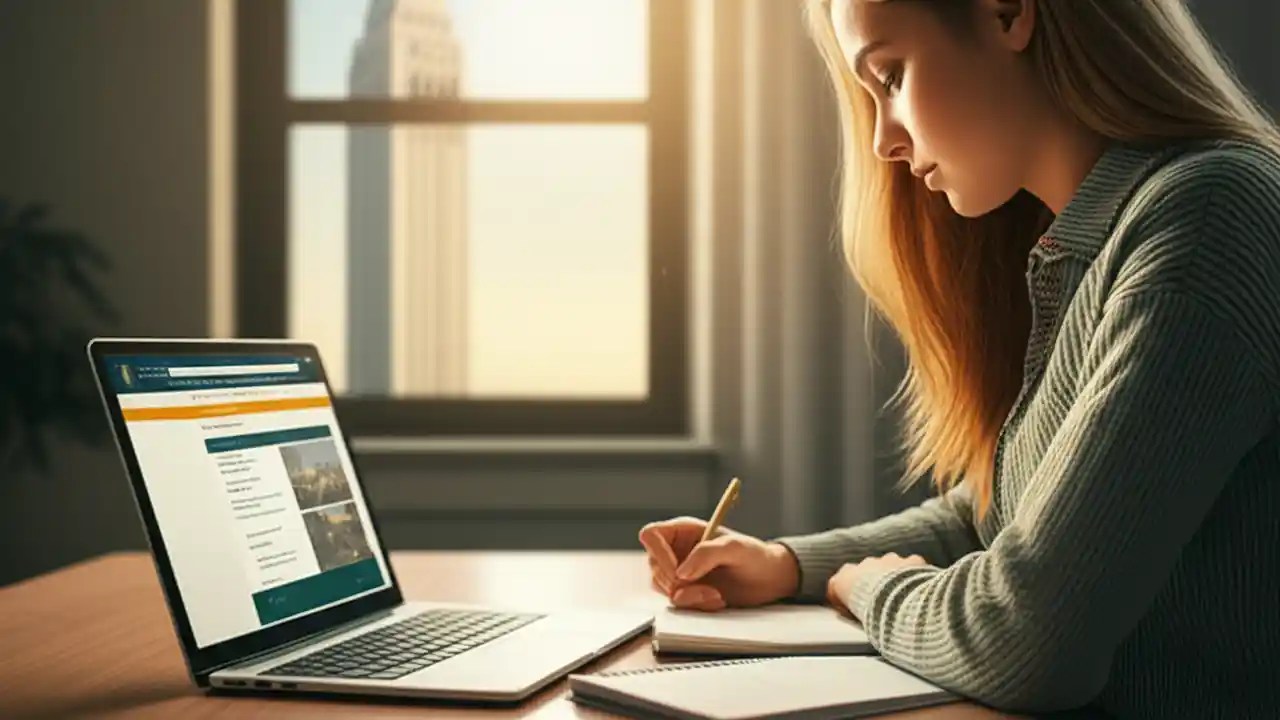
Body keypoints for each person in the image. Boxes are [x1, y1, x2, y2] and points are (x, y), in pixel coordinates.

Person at [638, 1, 1280, 718]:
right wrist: (788, 566)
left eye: (890, 77)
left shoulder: (1210, 220)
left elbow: (1025, 639)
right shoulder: (1097, 239)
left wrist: (870, 590)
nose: (882, 139)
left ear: (1006, 14)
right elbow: (998, 517)